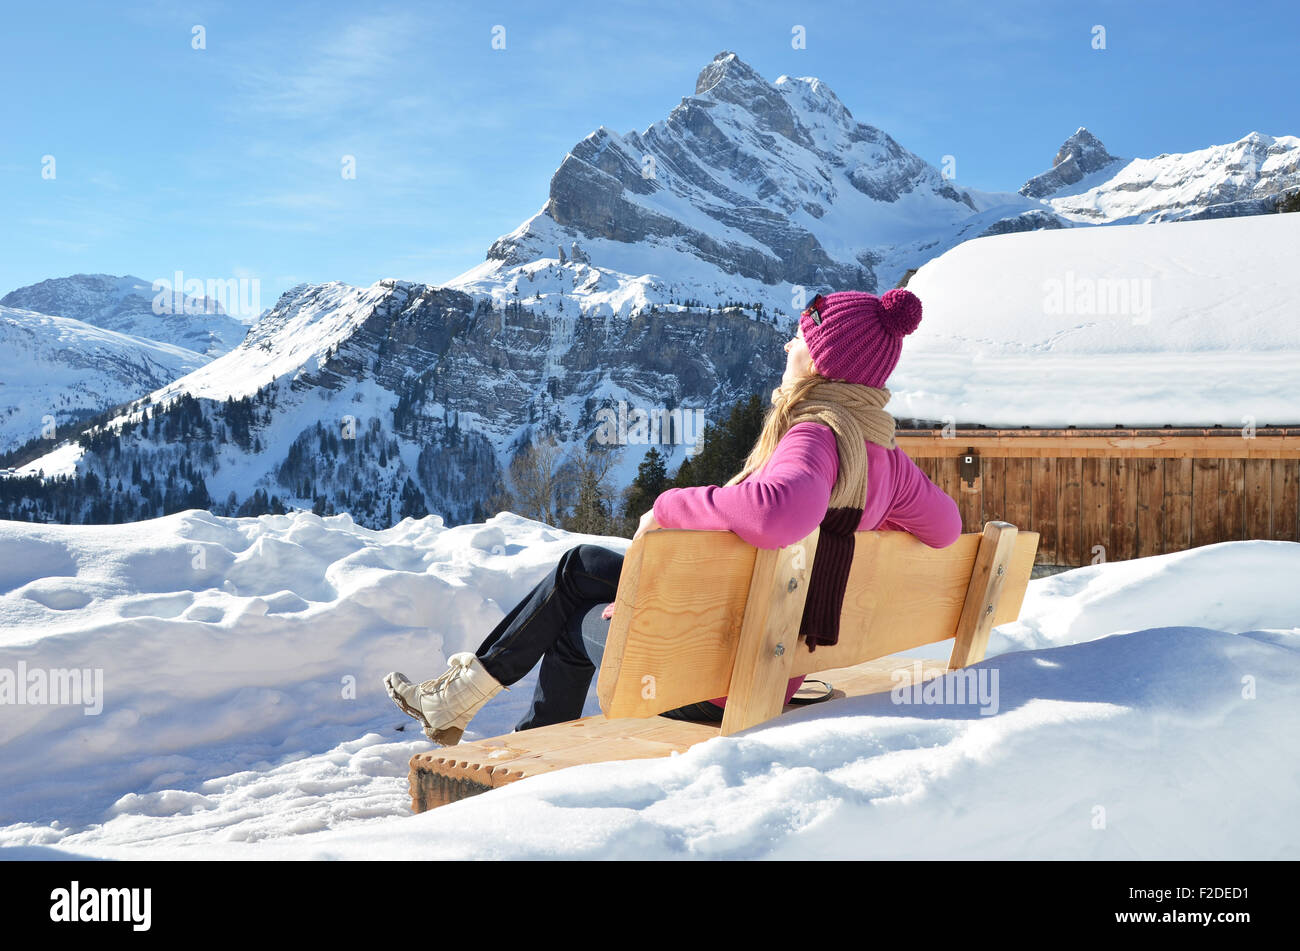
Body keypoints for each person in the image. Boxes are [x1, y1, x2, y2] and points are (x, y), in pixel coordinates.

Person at [384, 288, 963, 746]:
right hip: (774, 648)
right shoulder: (886, 459)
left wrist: (669, 506)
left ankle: (514, 729)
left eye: (799, 340)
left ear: (824, 364)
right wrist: (861, 530)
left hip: (719, 677)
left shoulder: (816, 435)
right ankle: (469, 702)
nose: (789, 349)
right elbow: (947, 529)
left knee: (572, 614)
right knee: (580, 565)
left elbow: (776, 515)